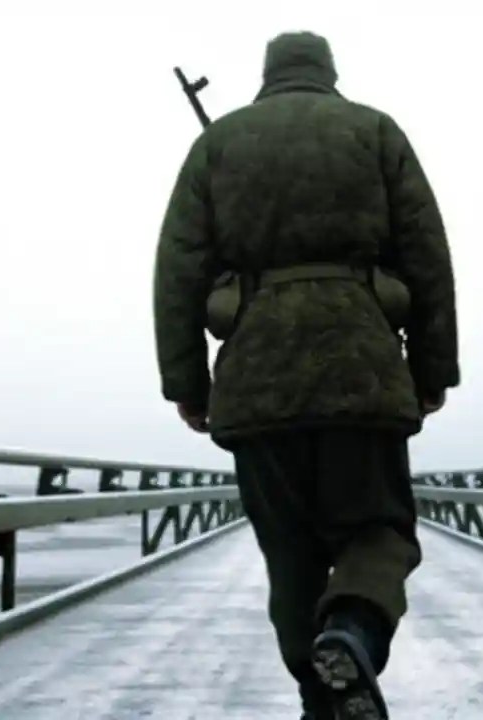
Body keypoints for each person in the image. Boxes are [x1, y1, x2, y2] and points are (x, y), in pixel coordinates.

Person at [153, 30, 459, 720]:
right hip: (363, 374)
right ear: (329, 73)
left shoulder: (217, 144)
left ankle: (319, 698)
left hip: (257, 384)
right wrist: (432, 368)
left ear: (267, 76)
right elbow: (426, 254)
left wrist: (188, 387)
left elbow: (178, 274)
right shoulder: (374, 131)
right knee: (378, 533)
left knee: (289, 554)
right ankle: (351, 634)